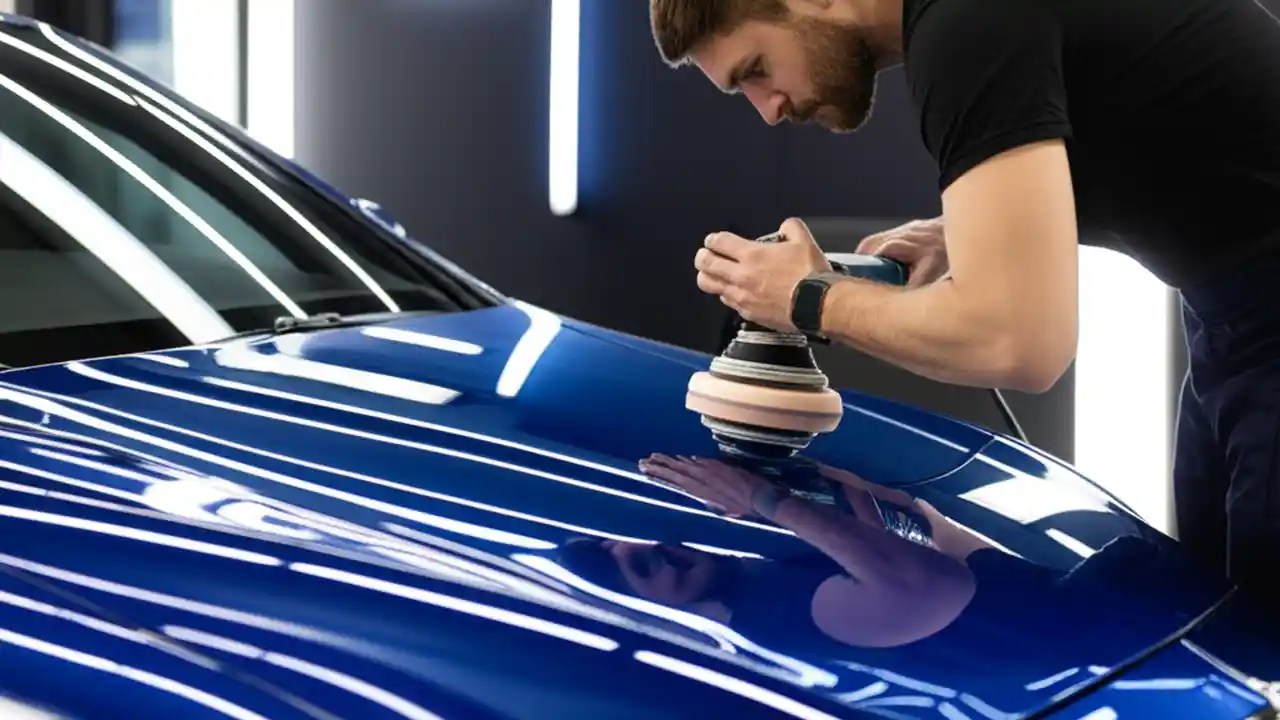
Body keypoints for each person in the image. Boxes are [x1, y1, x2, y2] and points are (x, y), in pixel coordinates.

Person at [647, 0, 1280, 599]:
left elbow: (1017, 343)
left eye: (756, 70)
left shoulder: (967, 25)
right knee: (1220, 632)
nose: (768, 110)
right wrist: (966, 232)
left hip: (1260, 323)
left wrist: (808, 298)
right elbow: (1165, 120)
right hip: (1232, 320)